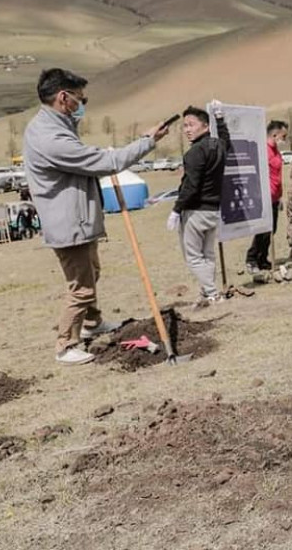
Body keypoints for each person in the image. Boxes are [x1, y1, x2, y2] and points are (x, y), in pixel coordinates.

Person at [23, 68, 170, 365]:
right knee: (81, 286)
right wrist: (147, 142)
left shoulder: (58, 127)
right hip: (68, 223)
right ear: (63, 98)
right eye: (81, 98)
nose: (83, 104)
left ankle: (93, 322)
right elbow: (104, 162)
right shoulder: (49, 136)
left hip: (79, 219)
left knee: (92, 272)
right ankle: (65, 345)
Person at [167, 105, 229, 310]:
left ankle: (212, 294)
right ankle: (206, 291)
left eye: (191, 125)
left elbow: (191, 185)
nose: (187, 129)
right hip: (214, 210)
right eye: (184, 126)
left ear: (204, 125)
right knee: (208, 254)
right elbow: (227, 141)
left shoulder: (195, 152)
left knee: (193, 257)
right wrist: (220, 119)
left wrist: (176, 209)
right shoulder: (218, 145)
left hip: (196, 210)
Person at [245, 120, 288, 275]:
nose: (285, 139)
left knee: (272, 229)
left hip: (275, 197)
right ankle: (252, 259)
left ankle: (263, 258)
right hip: (264, 196)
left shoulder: (276, 150)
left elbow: (277, 174)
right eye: (283, 135)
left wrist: (280, 196)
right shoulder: (264, 150)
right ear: (274, 134)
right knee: (262, 229)